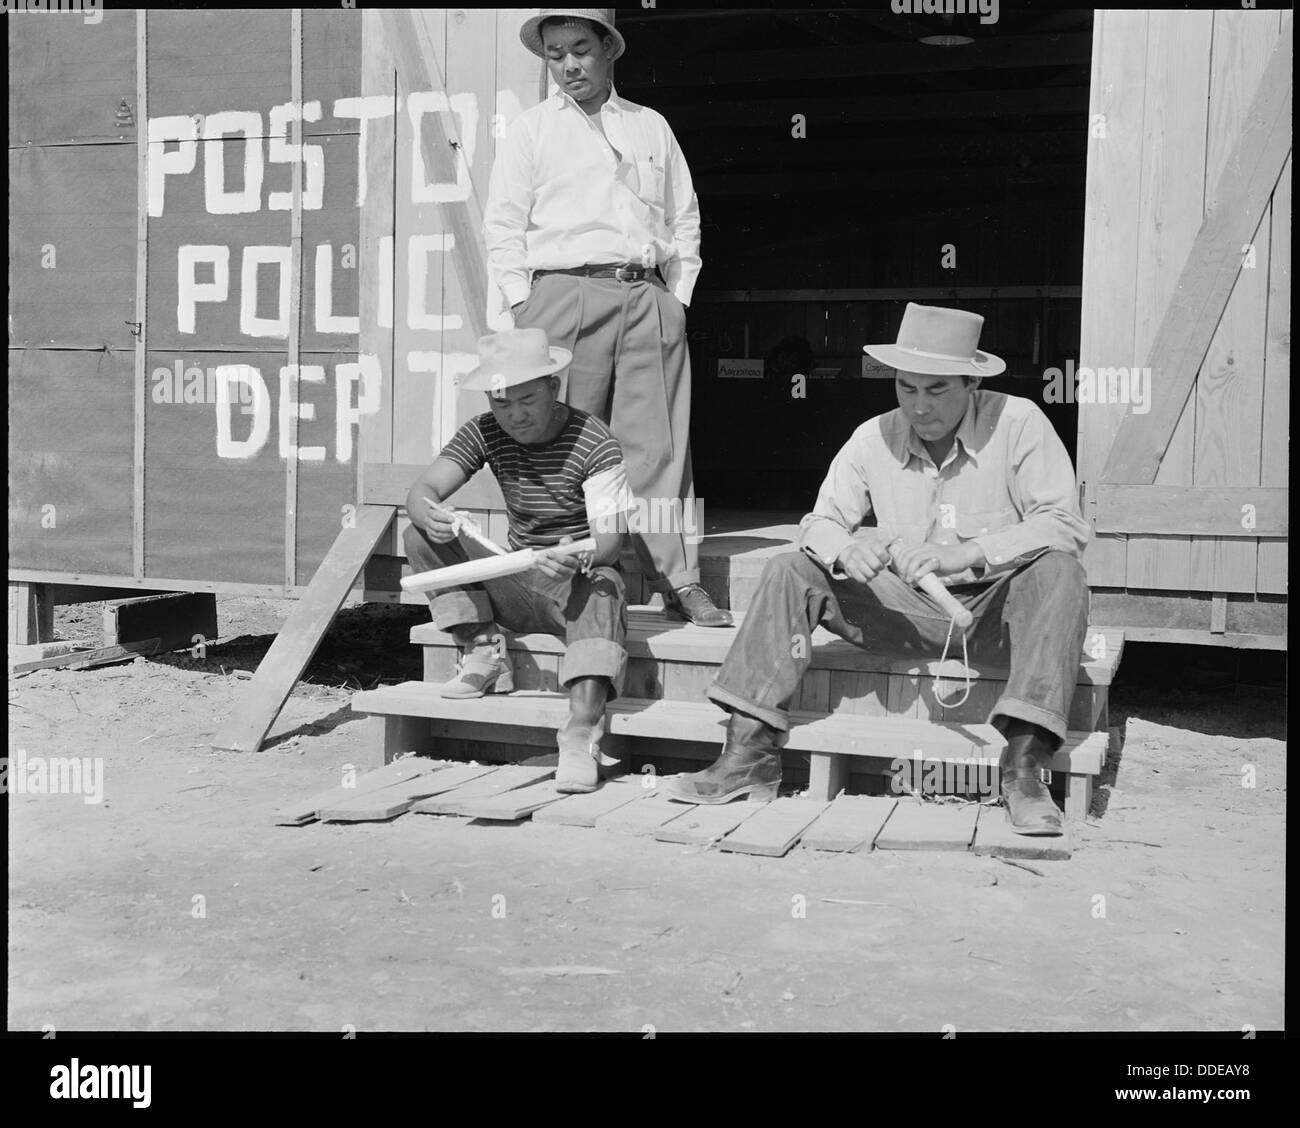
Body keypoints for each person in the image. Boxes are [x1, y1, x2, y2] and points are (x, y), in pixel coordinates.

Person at [665, 304, 1092, 836]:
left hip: (997, 619)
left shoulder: (1019, 422)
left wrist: (969, 551)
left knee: (1061, 574)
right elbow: (819, 521)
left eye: (937, 389)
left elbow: (1066, 527)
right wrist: (845, 551)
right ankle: (747, 753)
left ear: (971, 382)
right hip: (908, 615)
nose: (919, 406)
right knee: (791, 568)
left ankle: (1024, 768)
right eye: (906, 388)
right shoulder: (873, 437)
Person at [483, 8, 732, 627]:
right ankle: (566, 577)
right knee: (564, 439)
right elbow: (504, 226)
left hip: (645, 294)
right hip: (563, 295)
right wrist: (524, 305)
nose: (568, 65)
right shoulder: (532, 130)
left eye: (580, 49)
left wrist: (677, 297)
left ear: (609, 49)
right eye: (554, 53)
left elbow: (684, 218)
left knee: (660, 445)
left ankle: (682, 578)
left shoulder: (651, 126)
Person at [403, 328, 631, 794]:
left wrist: (574, 554)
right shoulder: (486, 430)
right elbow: (422, 493)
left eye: (526, 399)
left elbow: (609, 541)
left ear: (554, 388)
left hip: (573, 582)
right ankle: (483, 649)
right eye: (501, 402)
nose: (514, 415)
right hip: (515, 576)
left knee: (604, 582)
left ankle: (581, 734)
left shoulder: (595, 440)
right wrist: (433, 515)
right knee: (417, 532)